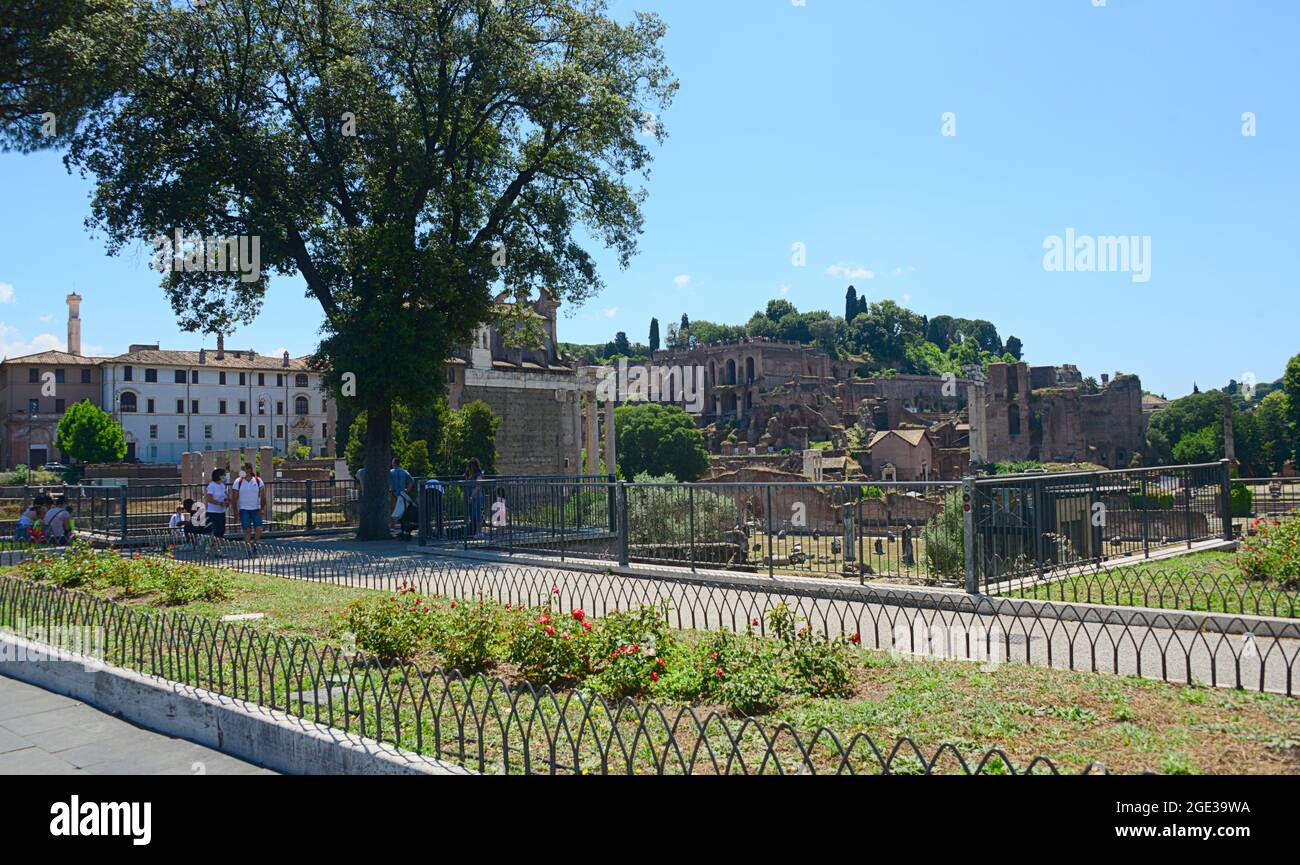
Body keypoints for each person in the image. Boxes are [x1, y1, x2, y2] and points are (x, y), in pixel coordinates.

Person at [233, 462, 267, 555]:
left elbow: (263, 496)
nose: (245, 471)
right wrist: (236, 511)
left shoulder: (258, 480)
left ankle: (255, 544)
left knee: (259, 528)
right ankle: (248, 548)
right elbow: (234, 498)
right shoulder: (238, 482)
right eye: (243, 470)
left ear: (250, 470)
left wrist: (262, 508)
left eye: (246, 469)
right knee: (247, 529)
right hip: (244, 509)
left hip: (255, 508)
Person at [204, 467, 229, 553]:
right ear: (218, 476)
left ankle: (217, 547)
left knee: (221, 530)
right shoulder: (211, 485)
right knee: (216, 531)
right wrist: (219, 503)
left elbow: (225, 495)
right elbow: (209, 499)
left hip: (221, 511)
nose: (224, 476)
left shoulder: (222, 485)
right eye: (223, 475)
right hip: (213, 512)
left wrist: (227, 500)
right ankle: (215, 548)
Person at [389, 457, 414, 532]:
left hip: (393, 493)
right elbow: (411, 481)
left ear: (393, 463)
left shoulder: (390, 472)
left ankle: (392, 527)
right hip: (402, 494)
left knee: (392, 510)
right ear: (399, 463)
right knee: (403, 510)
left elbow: (387, 482)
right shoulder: (404, 472)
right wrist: (407, 490)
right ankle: (403, 526)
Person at [463, 458, 485, 538]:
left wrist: (472, 496)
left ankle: (479, 532)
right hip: (470, 497)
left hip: (476, 496)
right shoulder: (469, 474)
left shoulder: (478, 473)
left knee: (477, 514)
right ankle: (475, 532)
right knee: (472, 515)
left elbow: (478, 486)